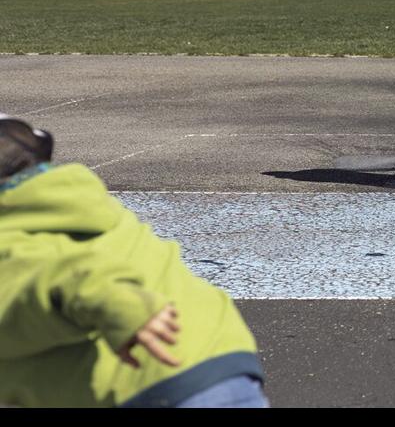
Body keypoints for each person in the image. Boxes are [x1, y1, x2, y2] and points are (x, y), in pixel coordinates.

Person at [0, 114, 268, 407]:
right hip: (218, 349)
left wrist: (119, 305)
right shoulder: (82, 202)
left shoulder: (11, 238)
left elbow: (69, 277)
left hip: (151, 377)